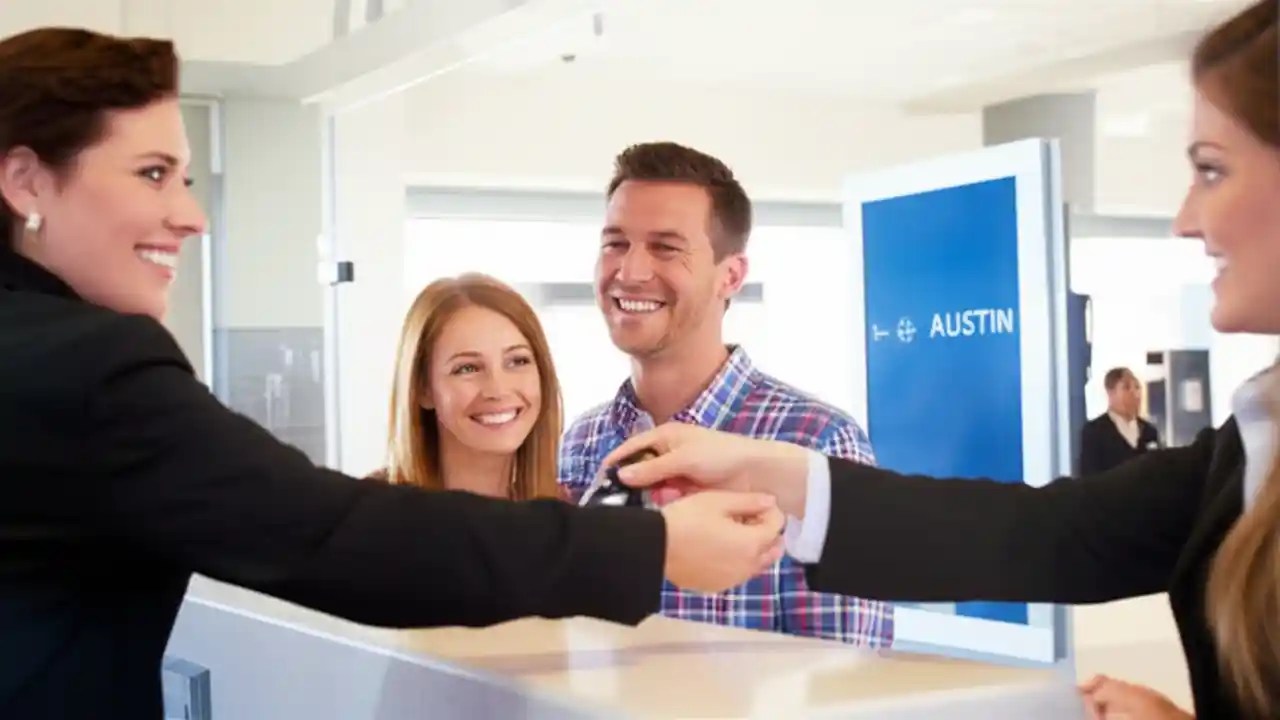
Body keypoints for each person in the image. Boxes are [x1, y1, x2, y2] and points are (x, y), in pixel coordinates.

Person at [0, 28, 786, 718]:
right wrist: (648, 547)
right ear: (26, 181)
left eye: (186, 179)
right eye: (151, 174)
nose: (192, 215)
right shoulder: (87, 365)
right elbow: (330, 536)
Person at [600, 3, 1278, 718]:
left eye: (1211, 171)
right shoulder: (1249, 445)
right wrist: (765, 471)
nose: (1185, 219)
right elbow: (1040, 532)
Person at [559, 142, 893, 646]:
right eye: (615, 243)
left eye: (665, 247)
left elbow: (845, 681)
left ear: (730, 275)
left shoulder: (818, 443)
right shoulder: (583, 441)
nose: (629, 271)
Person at [372, 273, 568, 501]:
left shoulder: (563, 513)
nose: (498, 390)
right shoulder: (372, 514)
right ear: (422, 389)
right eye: (467, 368)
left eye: (517, 361)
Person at [1079, 367, 1161, 474]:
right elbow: (1088, 477)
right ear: (1110, 392)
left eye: (1137, 387)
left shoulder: (1149, 431)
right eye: (1126, 387)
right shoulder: (1094, 432)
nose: (1135, 394)